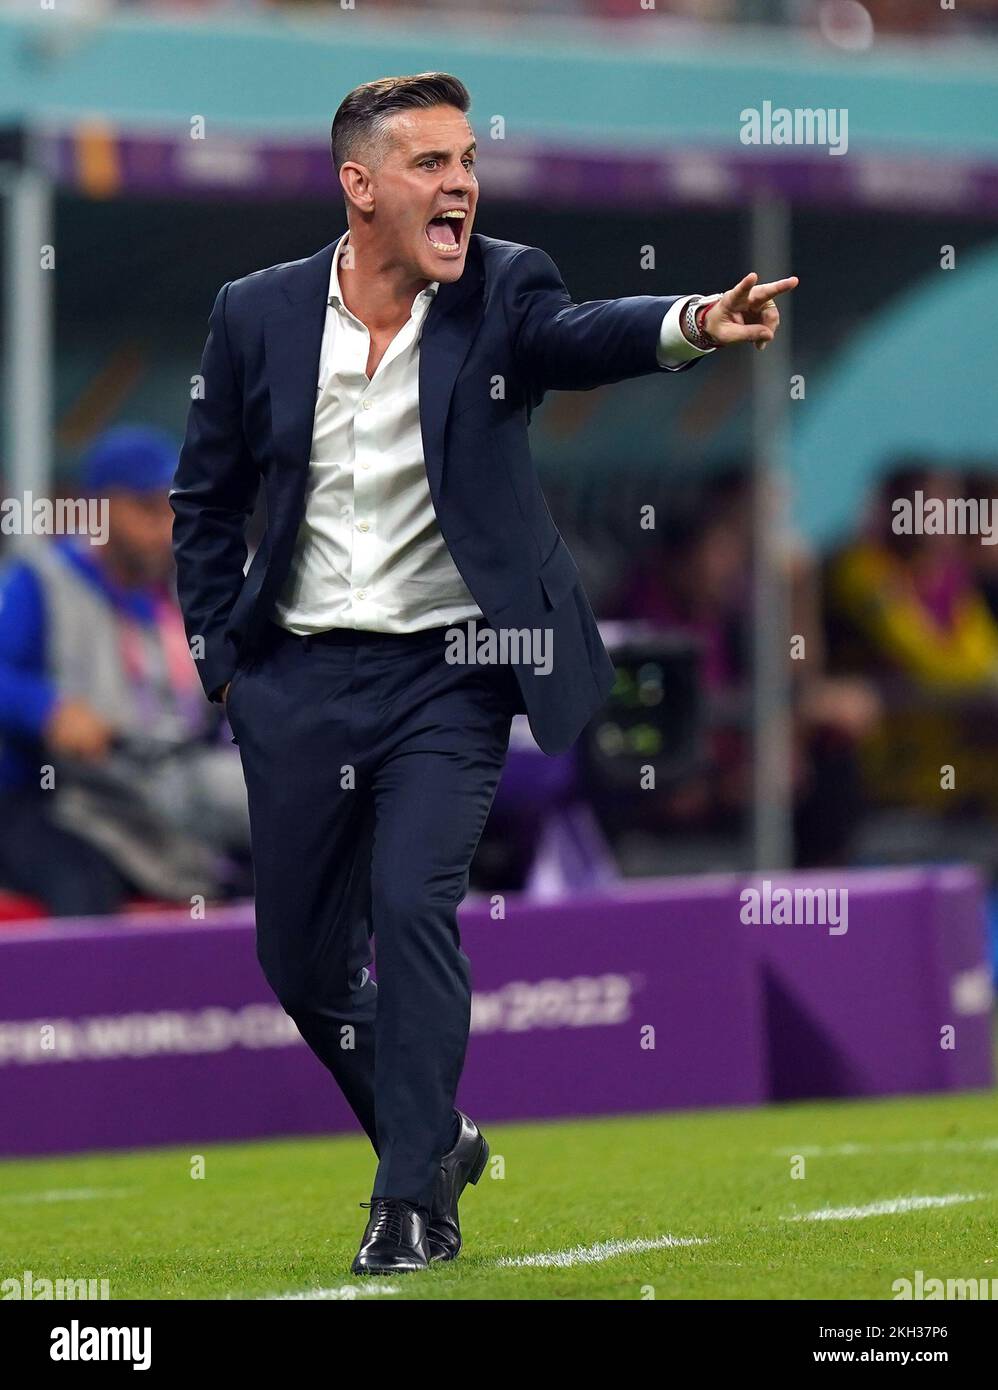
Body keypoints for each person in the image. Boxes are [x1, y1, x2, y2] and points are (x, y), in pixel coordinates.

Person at [170, 71, 797, 1275]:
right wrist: (219, 664)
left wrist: (685, 327)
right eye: (429, 165)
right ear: (359, 187)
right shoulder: (253, 312)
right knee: (296, 964)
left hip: (450, 676)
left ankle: (412, 1205)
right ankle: (440, 1134)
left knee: (412, 906)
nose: (459, 184)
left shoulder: (504, 287)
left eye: (467, 162)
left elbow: (577, 337)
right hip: (296, 679)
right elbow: (204, 499)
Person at [0, 425, 249, 916]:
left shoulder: (177, 593)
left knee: (273, 862)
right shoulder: (43, 581)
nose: (165, 528)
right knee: (84, 889)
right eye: (147, 510)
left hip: (150, 795)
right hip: (49, 799)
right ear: (100, 509)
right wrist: (46, 709)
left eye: (172, 510)